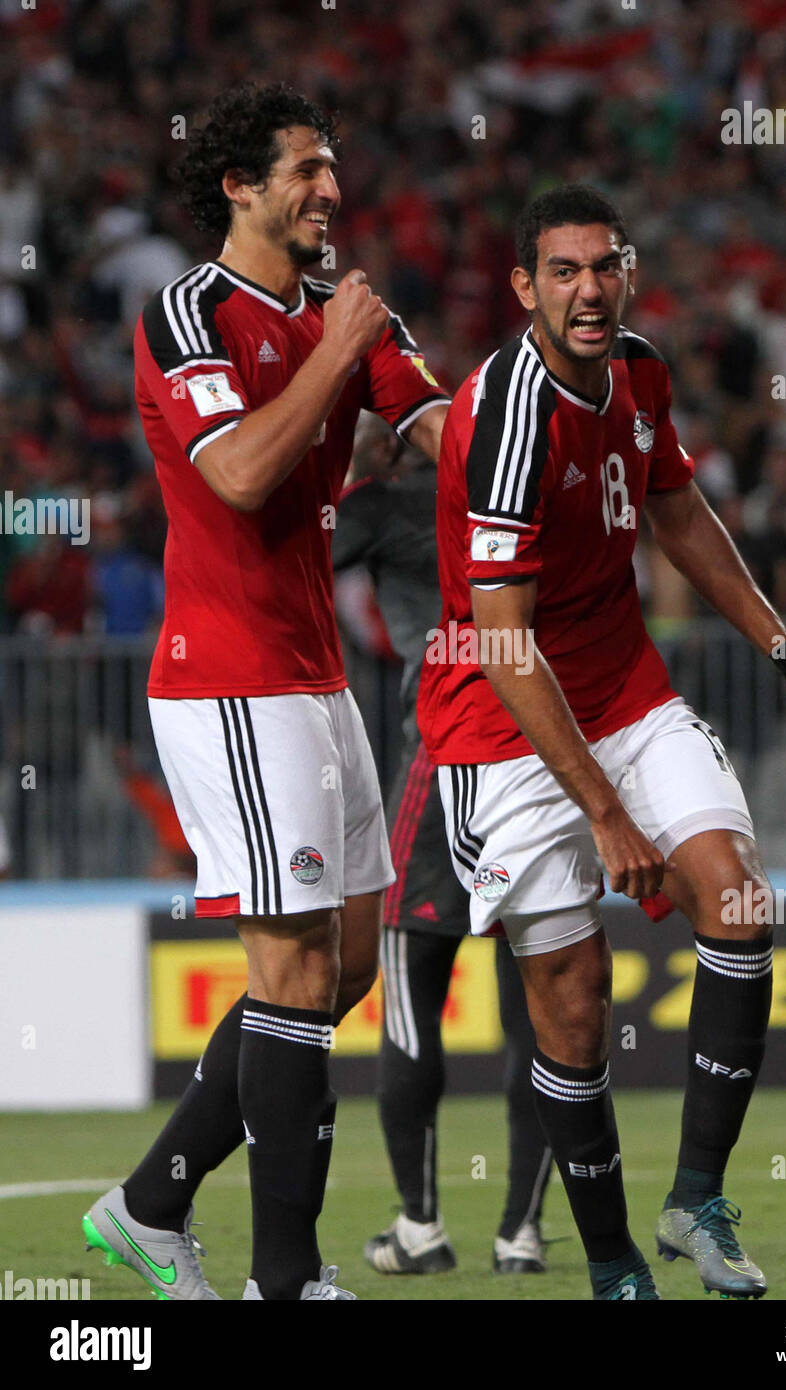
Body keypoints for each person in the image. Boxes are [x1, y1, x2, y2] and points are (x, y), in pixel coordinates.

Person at [417, 184, 786, 1301]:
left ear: (627, 270)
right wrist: (607, 815)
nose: (587, 289)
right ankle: (612, 1262)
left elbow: (679, 518)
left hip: (624, 690)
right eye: (562, 271)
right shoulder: (507, 419)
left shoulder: (642, 370)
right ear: (524, 287)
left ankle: (695, 1201)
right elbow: (504, 644)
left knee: (739, 895)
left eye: (603, 266)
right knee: (572, 1006)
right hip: (503, 726)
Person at [81, 81, 449, 1301]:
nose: (330, 189)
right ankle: (284, 1281)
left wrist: (528, 413)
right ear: (238, 185)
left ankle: (149, 1205)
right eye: (303, 169)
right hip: (228, 676)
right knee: (289, 969)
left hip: (313, 675)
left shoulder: (348, 312)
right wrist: (337, 348)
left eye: (333, 168)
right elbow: (236, 471)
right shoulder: (189, 313)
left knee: (342, 963)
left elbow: (436, 420)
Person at [332, 413, 553, 1276]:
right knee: (539, 1008)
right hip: (538, 754)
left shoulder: (384, 505)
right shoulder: (522, 497)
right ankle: (521, 1232)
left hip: (443, 754)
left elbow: (296, 563)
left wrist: (349, 469)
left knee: (412, 992)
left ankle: (420, 1228)